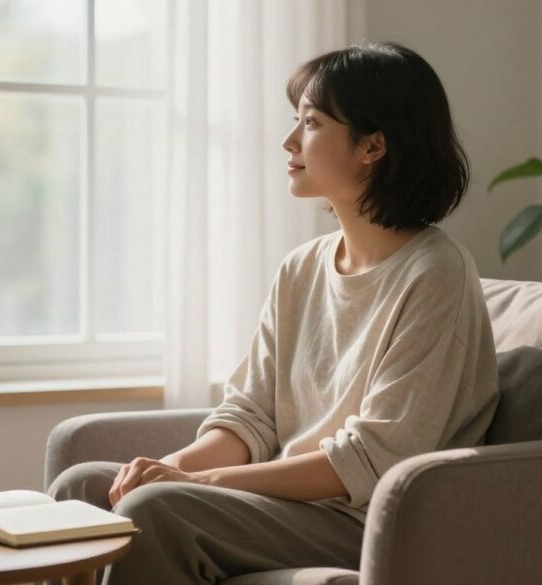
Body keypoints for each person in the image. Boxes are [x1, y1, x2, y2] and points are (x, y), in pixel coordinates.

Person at [45, 39, 500, 585]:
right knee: (82, 488)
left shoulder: (436, 273)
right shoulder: (301, 268)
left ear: (372, 145)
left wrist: (201, 484)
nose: (289, 141)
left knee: (155, 509)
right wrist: (171, 468)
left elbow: (375, 459)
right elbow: (250, 416)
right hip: (287, 508)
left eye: (310, 123)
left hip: (363, 519)